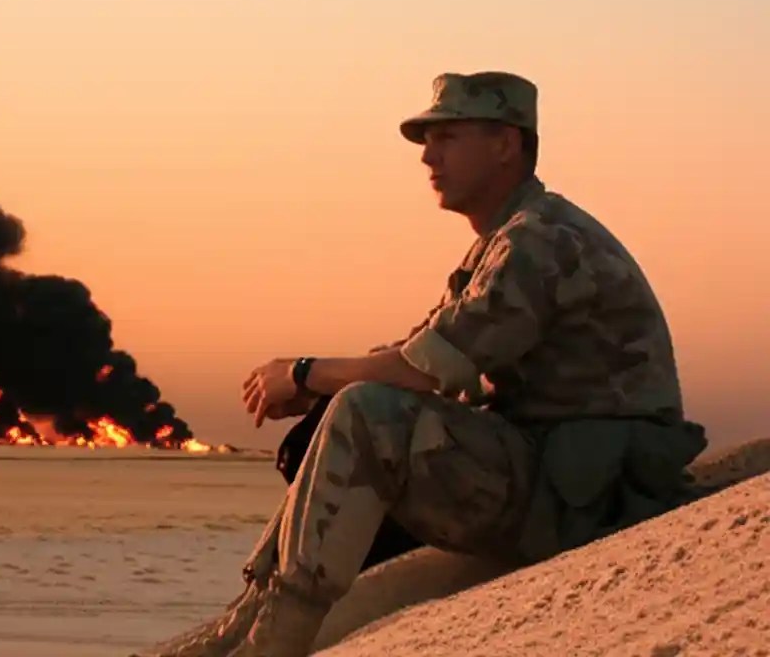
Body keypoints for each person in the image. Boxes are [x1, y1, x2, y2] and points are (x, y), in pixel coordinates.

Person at [136, 71, 708, 657]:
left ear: (506, 143)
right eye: (428, 142)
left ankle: (276, 637)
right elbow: (421, 348)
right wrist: (316, 389)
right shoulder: (507, 239)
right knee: (355, 405)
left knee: (368, 412)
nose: (428, 157)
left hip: (595, 501)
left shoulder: (540, 241)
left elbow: (421, 371)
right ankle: (250, 613)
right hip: (560, 479)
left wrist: (304, 372)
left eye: (448, 138)